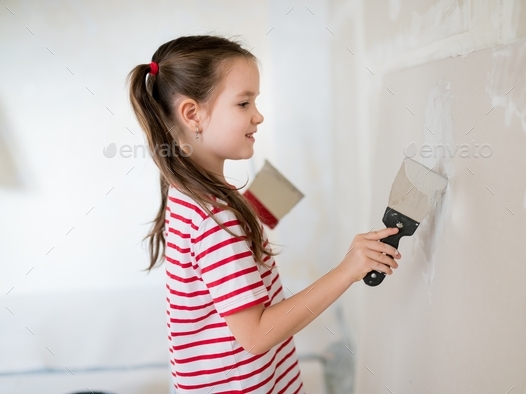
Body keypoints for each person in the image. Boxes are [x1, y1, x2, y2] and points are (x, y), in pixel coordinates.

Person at [126, 34, 401, 394]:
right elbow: (256, 335)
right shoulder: (216, 217)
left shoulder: (185, 194)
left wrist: (264, 201)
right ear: (193, 114)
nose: (258, 115)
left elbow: (225, 248)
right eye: (243, 103)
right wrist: (348, 269)